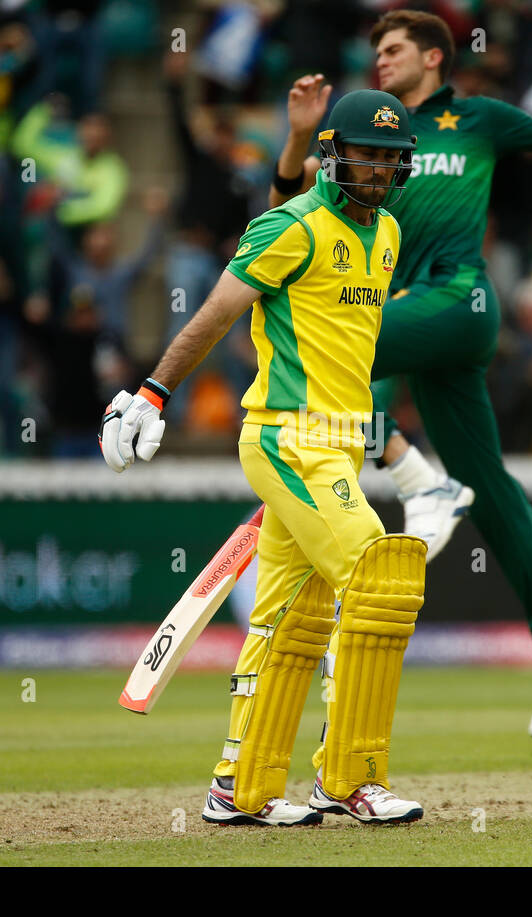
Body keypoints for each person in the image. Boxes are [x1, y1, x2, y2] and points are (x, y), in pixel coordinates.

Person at [269, 9, 532, 739]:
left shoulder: (478, 118)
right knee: (488, 487)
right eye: (376, 52)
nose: (381, 62)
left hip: (461, 299)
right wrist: (301, 132)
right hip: (405, 312)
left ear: (433, 56)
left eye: (393, 50)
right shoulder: (367, 130)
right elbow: (288, 196)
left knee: (330, 360)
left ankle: (417, 479)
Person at [103, 89, 427, 826]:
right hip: (288, 439)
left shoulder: (386, 234)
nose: (377, 170)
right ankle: (348, 779)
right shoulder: (292, 226)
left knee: (291, 619)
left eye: (390, 158)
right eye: (365, 154)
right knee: (383, 580)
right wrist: (152, 393)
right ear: (332, 155)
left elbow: (346, 349)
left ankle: (239, 790)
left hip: (340, 446)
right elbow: (218, 312)